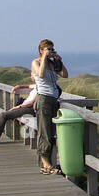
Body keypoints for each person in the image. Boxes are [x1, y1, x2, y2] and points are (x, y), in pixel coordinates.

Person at [30, 40, 68, 174]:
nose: (51, 51)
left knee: (52, 133)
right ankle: (46, 164)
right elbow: (40, 74)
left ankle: (48, 164)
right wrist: (45, 58)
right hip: (44, 99)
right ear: (41, 50)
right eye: (48, 49)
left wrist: (59, 61)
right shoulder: (36, 62)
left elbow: (65, 75)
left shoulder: (52, 64)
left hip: (54, 99)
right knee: (44, 131)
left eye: (52, 49)